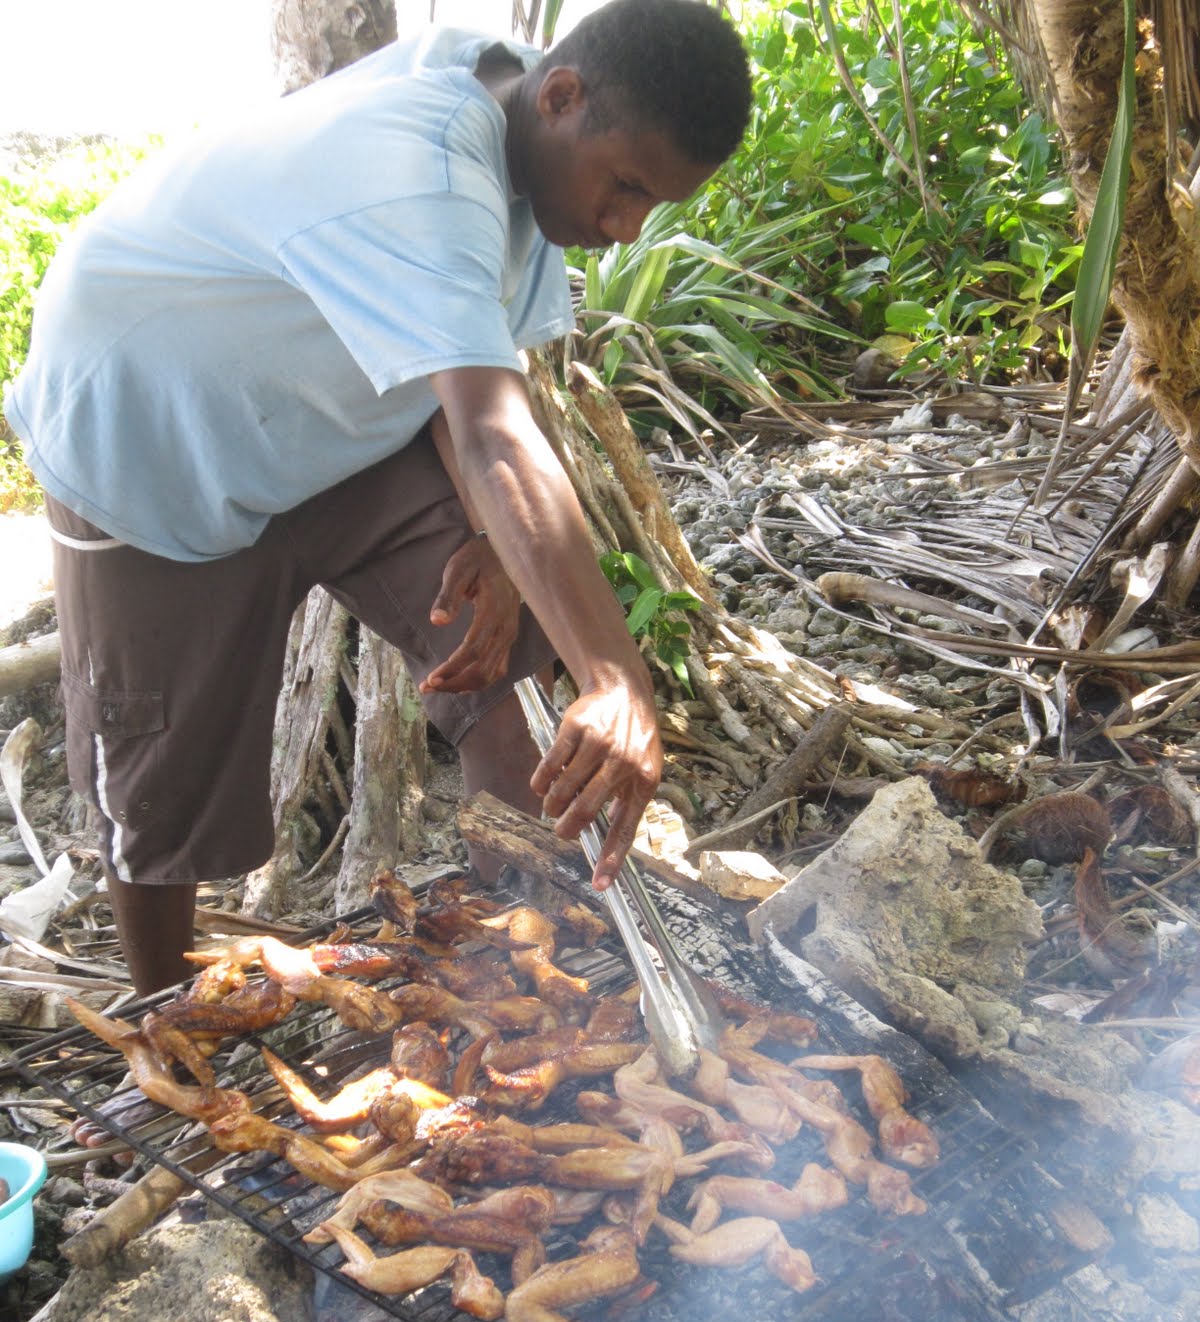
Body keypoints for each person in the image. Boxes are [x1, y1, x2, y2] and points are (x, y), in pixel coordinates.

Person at [4, 0, 753, 1004]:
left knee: (510, 661)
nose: (624, 231)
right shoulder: (425, 162)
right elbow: (494, 433)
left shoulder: (534, 121)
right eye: (623, 190)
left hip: (342, 408)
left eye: (651, 207)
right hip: (152, 423)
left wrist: (495, 536)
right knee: (160, 777)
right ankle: (164, 1028)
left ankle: (510, 980)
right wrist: (617, 675)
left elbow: (479, 381)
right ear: (561, 97)